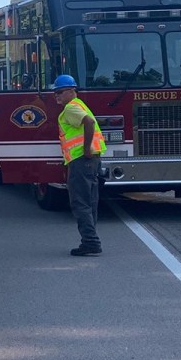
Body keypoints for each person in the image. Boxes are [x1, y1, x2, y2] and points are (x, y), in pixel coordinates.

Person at [52, 73, 106, 256]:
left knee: (80, 203)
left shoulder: (70, 109)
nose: (56, 97)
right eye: (55, 93)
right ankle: (91, 240)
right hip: (92, 161)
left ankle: (90, 242)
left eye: (59, 92)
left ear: (70, 91)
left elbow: (89, 122)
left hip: (81, 161)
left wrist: (86, 148)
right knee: (91, 202)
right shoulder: (80, 105)